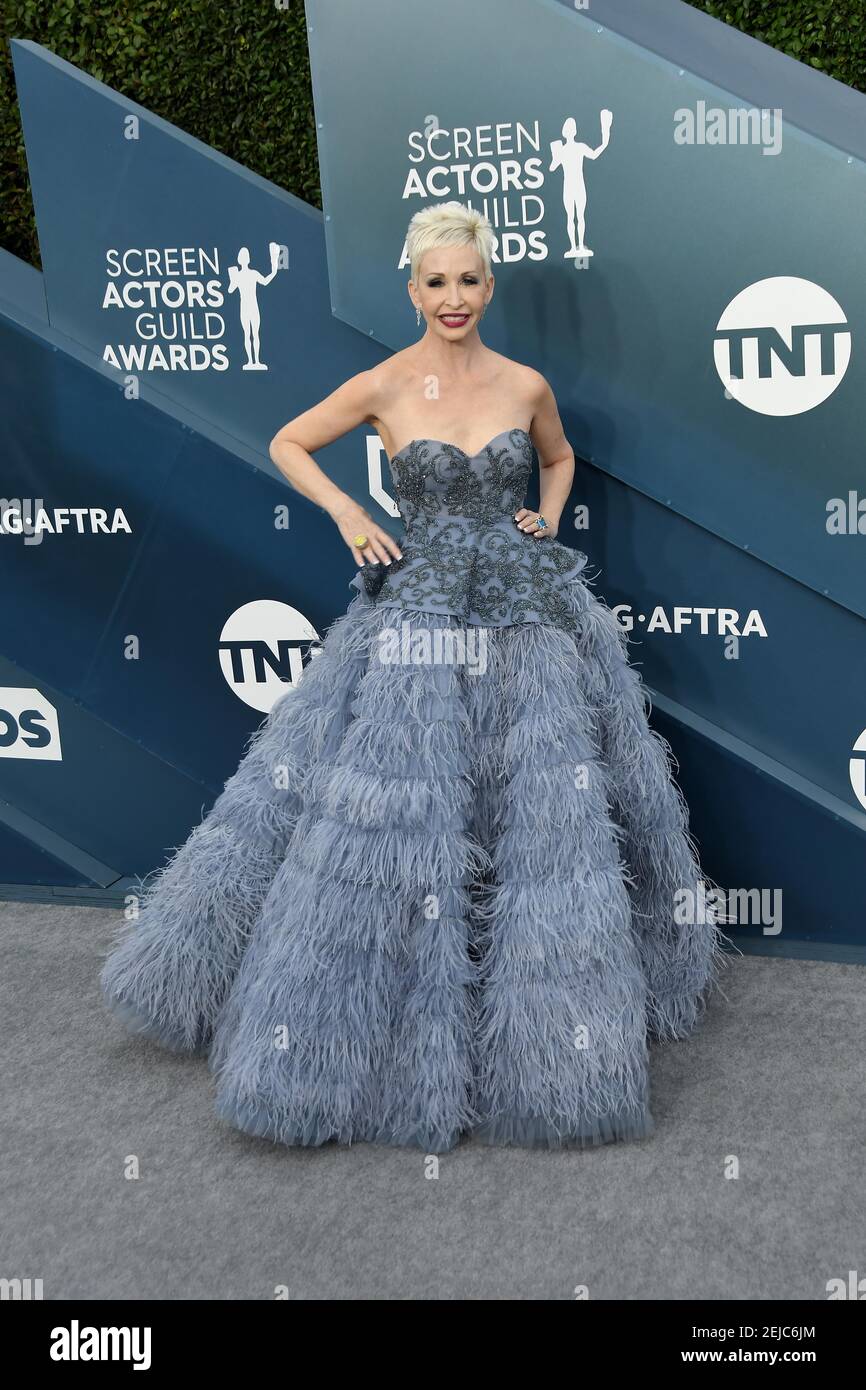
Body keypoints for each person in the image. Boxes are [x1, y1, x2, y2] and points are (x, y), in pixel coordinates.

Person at [100, 200, 734, 1152]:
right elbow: (287, 441)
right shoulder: (387, 384)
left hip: (526, 610)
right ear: (412, 289)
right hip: (417, 618)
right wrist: (350, 516)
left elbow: (557, 460)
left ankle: (551, 1045)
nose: (453, 297)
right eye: (435, 282)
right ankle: (343, 1049)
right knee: (394, 825)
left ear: (489, 285)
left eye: (468, 280)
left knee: (544, 821)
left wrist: (546, 514)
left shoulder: (526, 385)